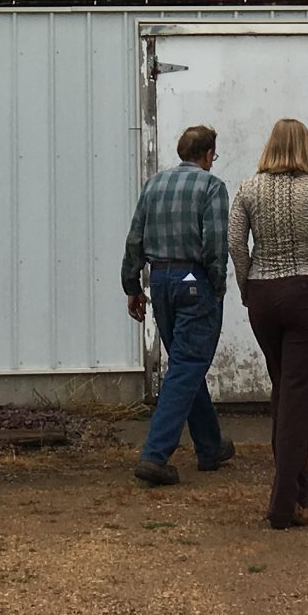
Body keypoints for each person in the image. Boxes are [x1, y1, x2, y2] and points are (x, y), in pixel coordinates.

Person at [229, 116, 308, 529]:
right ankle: (282, 503)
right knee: (299, 396)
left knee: (284, 391)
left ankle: (300, 487)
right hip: (306, 293)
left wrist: (246, 285)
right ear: (307, 146)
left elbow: (234, 242)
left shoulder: (247, 188)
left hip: (263, 294)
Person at [120, 123, 234, 486]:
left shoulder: (153, 185)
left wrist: (132, 285)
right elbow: (215, 242)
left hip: (161, 280)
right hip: (192, 280)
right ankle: (155, 454)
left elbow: (135, 236)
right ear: (208, 155)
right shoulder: (211, 186)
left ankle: (210, 446)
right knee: (187, 365)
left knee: (186, 360)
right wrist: (217, 285)